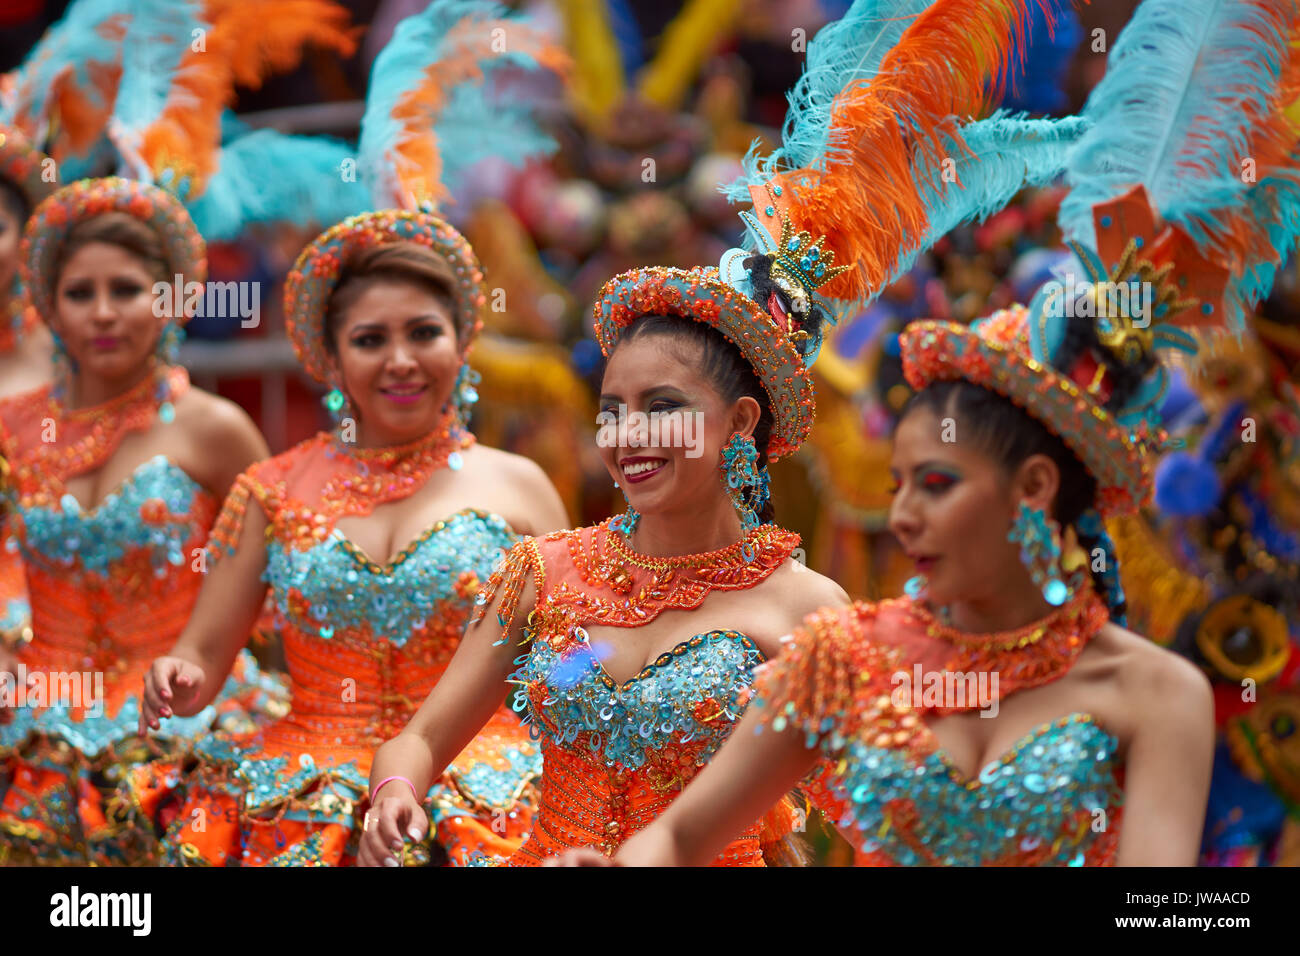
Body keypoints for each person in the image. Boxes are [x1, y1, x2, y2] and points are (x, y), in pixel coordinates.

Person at [550, 0, 1300, 866]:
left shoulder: (1153, 691)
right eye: (902, 481)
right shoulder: (842, 653)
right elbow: (682, 837)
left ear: (1036, 491)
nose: (902, 516)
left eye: (936, 485)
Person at [140, 0, 572, 866]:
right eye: (370, 340)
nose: (400, 361)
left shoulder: (520, 487)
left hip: (490, 797)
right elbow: (206, 651)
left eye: (424, 333)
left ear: (462, 340)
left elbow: (575, 660)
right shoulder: (272, 487)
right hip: (297, 802)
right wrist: (177, 677)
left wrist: (566, 718)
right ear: (330, 359)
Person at [359, 240, 852, 867]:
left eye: (663, 407)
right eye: (612, 412)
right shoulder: (543, 571)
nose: (628, 437)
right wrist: (396, 791)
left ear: (740, 421)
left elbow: (869, 807)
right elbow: (422, 739)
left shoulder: (805, 608)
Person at [0, 177, 275, 865]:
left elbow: (272, 579)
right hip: (30, 725)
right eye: (78, 294)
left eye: (126, 290)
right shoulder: (11, 431)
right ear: (49, 307)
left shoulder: (216, 431)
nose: (102, 314)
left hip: (185, 721)